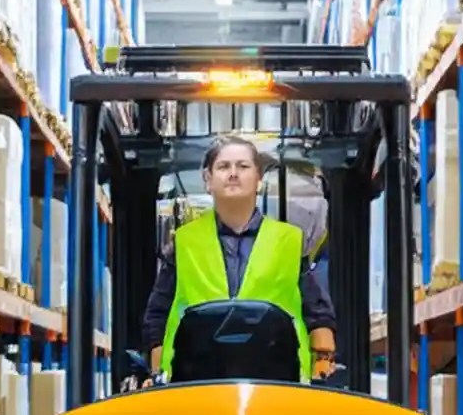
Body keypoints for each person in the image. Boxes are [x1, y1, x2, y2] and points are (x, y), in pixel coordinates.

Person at [139, 135, 338, 385]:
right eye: (224, 166)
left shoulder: (290, 242)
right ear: (208, 180)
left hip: (278, 384)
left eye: (243, 166)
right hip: (192, 384)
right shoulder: (183, 243)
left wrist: (322, 363)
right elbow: (157, 316)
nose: (233, 173)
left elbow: (318, 313)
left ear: (258, 181)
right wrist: (157, 374)